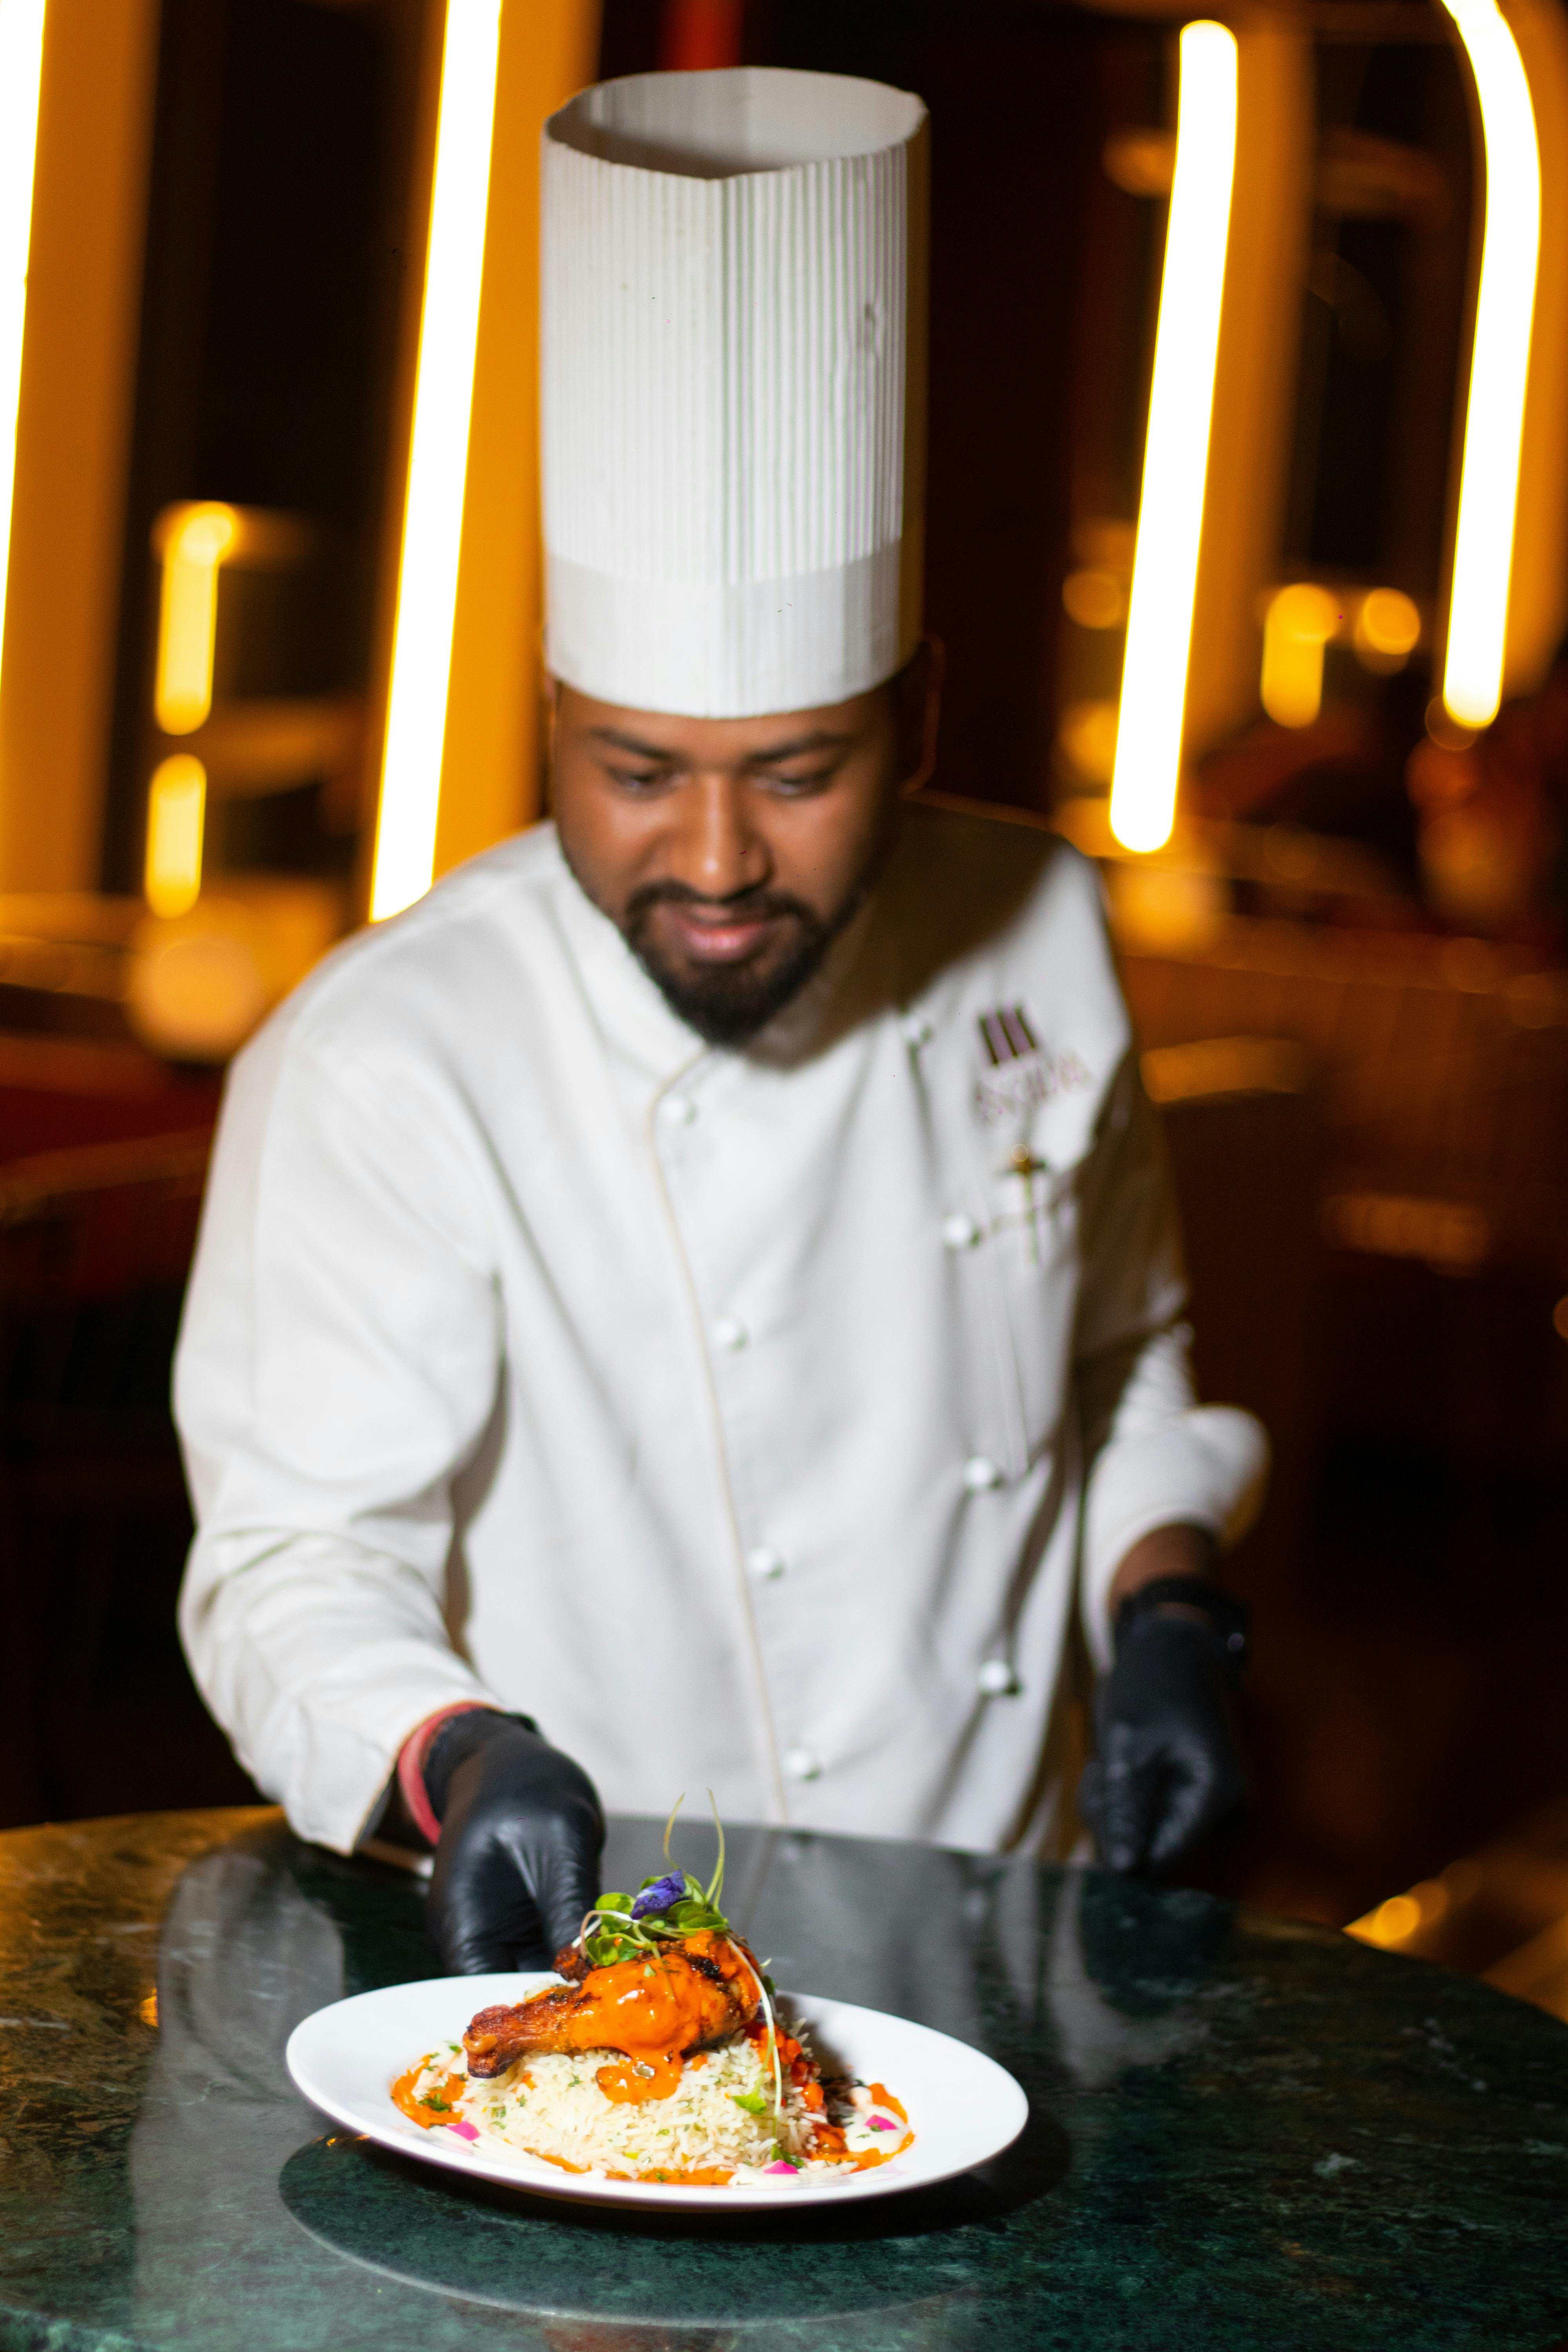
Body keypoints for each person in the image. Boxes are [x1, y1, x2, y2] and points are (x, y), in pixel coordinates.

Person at [175, 64, 1266, 1976]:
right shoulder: (389, 1057)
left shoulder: (1039, 932)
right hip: (601, 1983)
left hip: (1002, 1943)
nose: (711, 856)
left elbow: (1123, 1361)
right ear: (549, 723)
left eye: (794, 772)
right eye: (632, 769)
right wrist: (454, 1750)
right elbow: (294, 1562)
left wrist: (1166, 1604)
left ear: (914, 723)